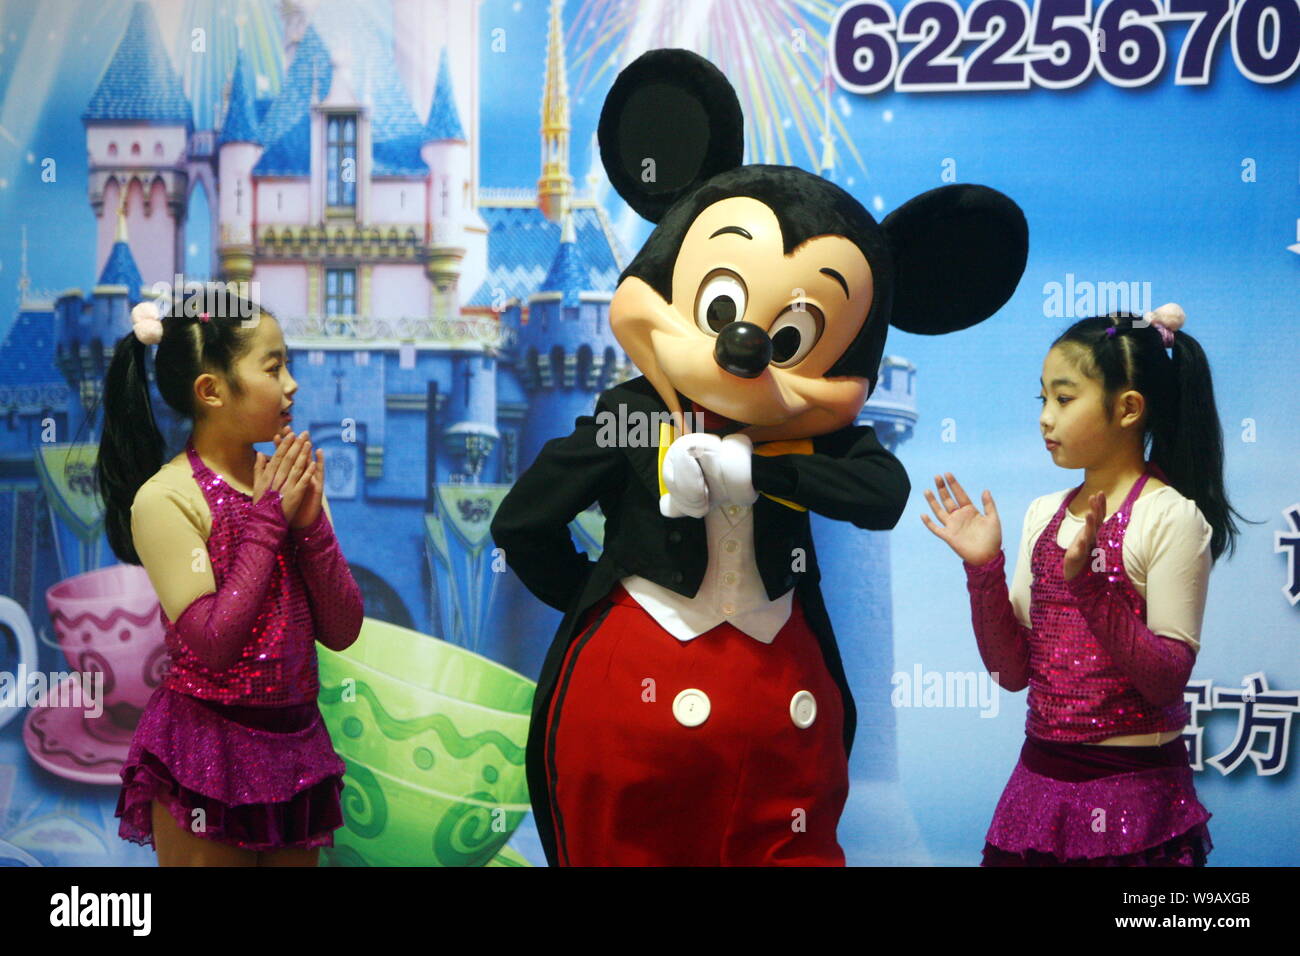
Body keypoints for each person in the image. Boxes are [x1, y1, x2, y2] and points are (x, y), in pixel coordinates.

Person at [922, 304, 1246, 866]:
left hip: (1136, 801)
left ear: (1127, 408)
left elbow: (1166, 679)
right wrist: (983, 571)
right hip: (1035, 791)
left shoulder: (1170, 516)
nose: (1045, 418)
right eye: (1042, 399)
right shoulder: (1042, 514)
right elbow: (1012, 674)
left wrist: (1093, 589)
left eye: (1064, 399)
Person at [96, 284, 364, 866]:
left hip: (297, 747)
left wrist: (312, 525)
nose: (291, 384)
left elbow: (343, 629)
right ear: (211, 390)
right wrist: (269, 521)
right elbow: (214, 643)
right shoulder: (167, 498)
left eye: (287, 364)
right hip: (207, 748)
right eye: (273, 367)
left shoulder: (287, 485)